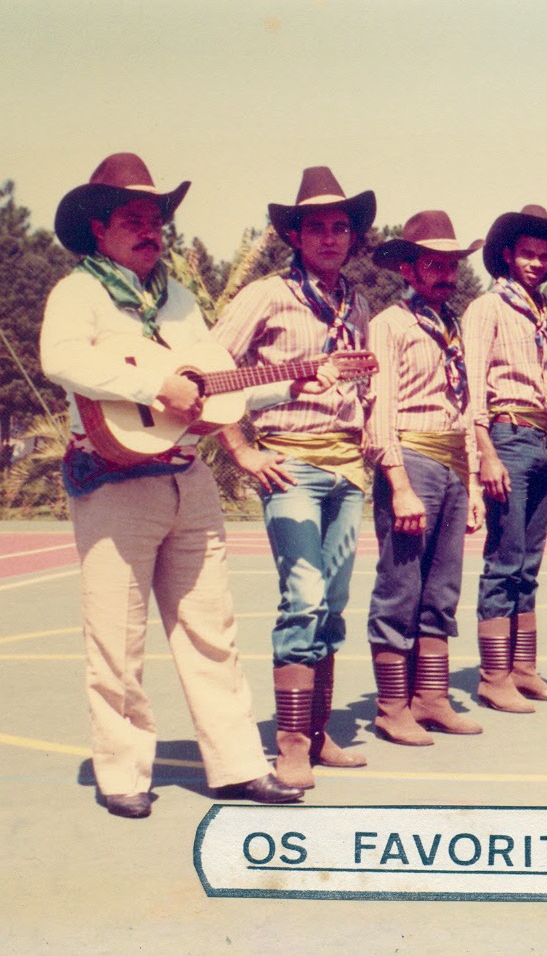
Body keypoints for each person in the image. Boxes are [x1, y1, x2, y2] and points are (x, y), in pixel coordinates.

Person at [41, 152, 304, 817]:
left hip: (187, 479)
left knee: (212, 630)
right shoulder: (79, 293)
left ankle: (238, 767)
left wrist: (295, 381)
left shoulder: (178, 300)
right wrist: (152, 384)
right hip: (114, 482)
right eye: (133, 218)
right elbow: (61, 359)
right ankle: (122, 774)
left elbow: (213, 384)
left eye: (156, 220)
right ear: (98, 229)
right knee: (116, 638)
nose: (149, 230)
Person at [210, 166, 377, 787]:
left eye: (341, 227)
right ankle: (291, 745)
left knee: (332, 604)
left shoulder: (357, 303)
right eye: (317, 227)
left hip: (347, 469)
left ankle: (318, 731)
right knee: (302, 598)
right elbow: (208, 372)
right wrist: (241, 450)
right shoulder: (266, 295)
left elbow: (356, 384)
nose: (331, 237)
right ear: (296, 235)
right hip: (290, 465)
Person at [365, 211, 487, 745]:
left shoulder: (451, 326)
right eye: (434, 265)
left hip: (454, 464)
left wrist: (473, 482)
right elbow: (379, 409)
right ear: (408, 270)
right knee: (400, 587)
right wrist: (399, 484)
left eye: (451, 265)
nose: (446, 275)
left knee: (442, 590)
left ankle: (431, 698)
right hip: (411, 460)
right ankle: (392, 707)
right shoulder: (390, 325)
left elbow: (464, 408)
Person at [462, 205, 547, 713]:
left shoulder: (542, 314)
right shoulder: (487, 308)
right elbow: (471, 387)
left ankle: (523, 669)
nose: (535, 263)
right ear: (507, 255)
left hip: (540, 441)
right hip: (505, 437)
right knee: (504, 560)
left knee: (529, 564)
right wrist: (484, 453)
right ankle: (493, 676)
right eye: (527, 254)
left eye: (544, 257)